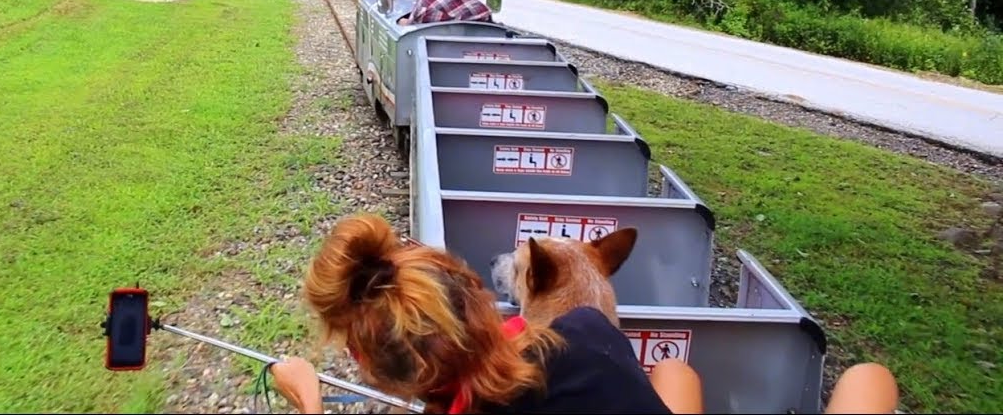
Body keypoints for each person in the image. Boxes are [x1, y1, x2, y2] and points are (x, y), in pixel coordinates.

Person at [269, 214, 903, 414]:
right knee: (869, 378)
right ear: (480, 307)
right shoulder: (585, 330)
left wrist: (310, 399)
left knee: (678, 379)